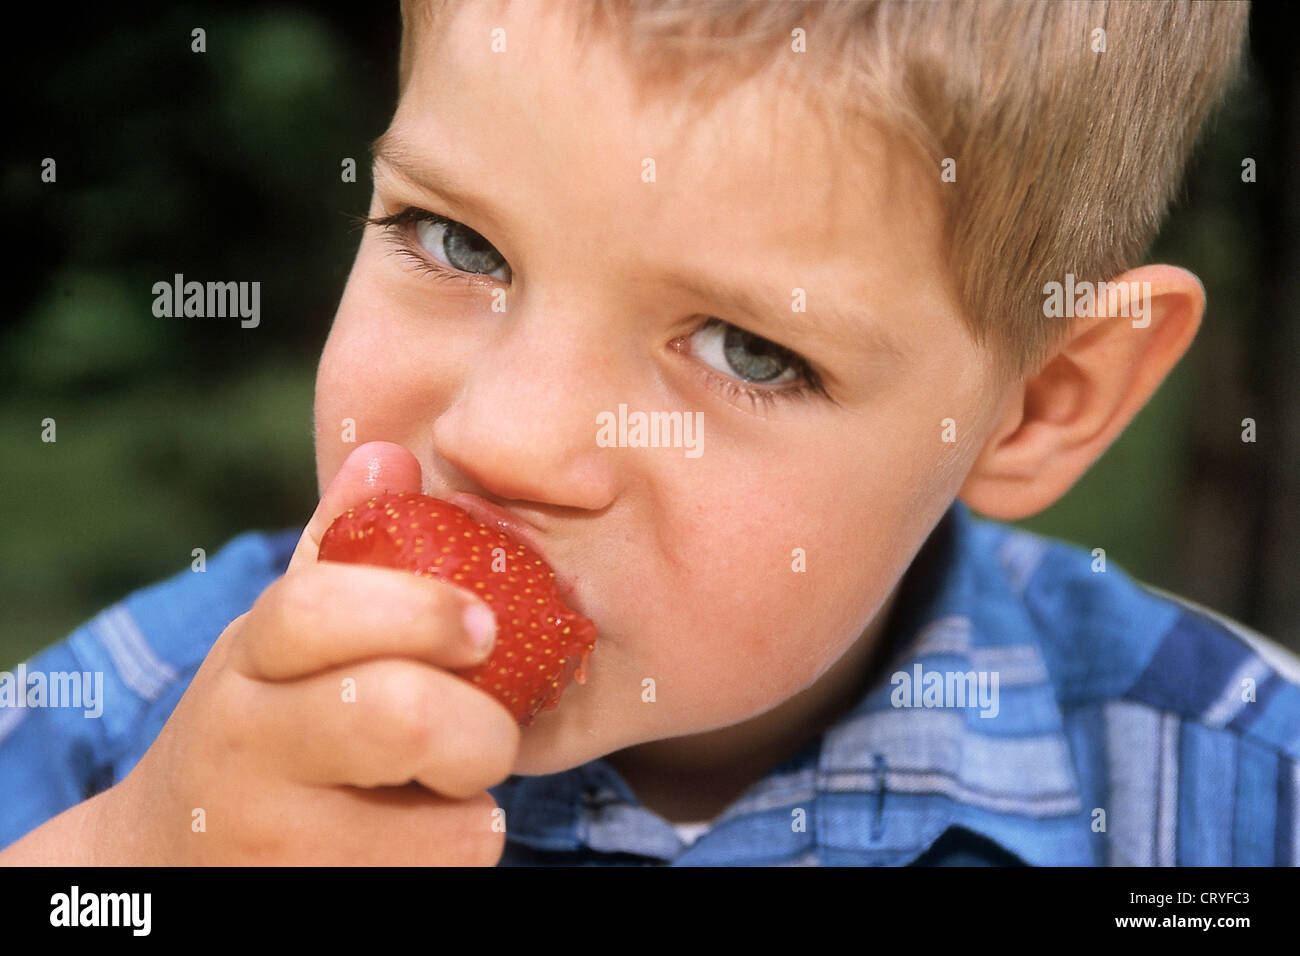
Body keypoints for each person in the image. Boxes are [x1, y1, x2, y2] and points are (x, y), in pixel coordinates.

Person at [4, 0, 1294, 866]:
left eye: (749, 350)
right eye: (454, 241)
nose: (507, 437)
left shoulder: (1227, 803)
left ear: (1039, 408)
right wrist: (130, 860)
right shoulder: (130, 727)